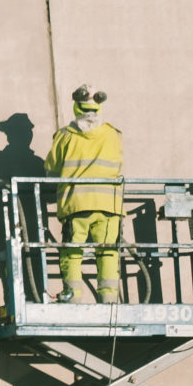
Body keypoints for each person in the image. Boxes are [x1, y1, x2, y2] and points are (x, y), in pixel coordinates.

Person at [46, 86, 125, 304]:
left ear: (76, 106)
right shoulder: (112, 134)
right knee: (108, 252)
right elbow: (118, 165)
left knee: (72, 252)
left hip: (77, 204)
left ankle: (73, 299)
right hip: (109, 205)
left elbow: (51, 172)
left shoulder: (64, 136)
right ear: (98, 106)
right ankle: (109, 301)